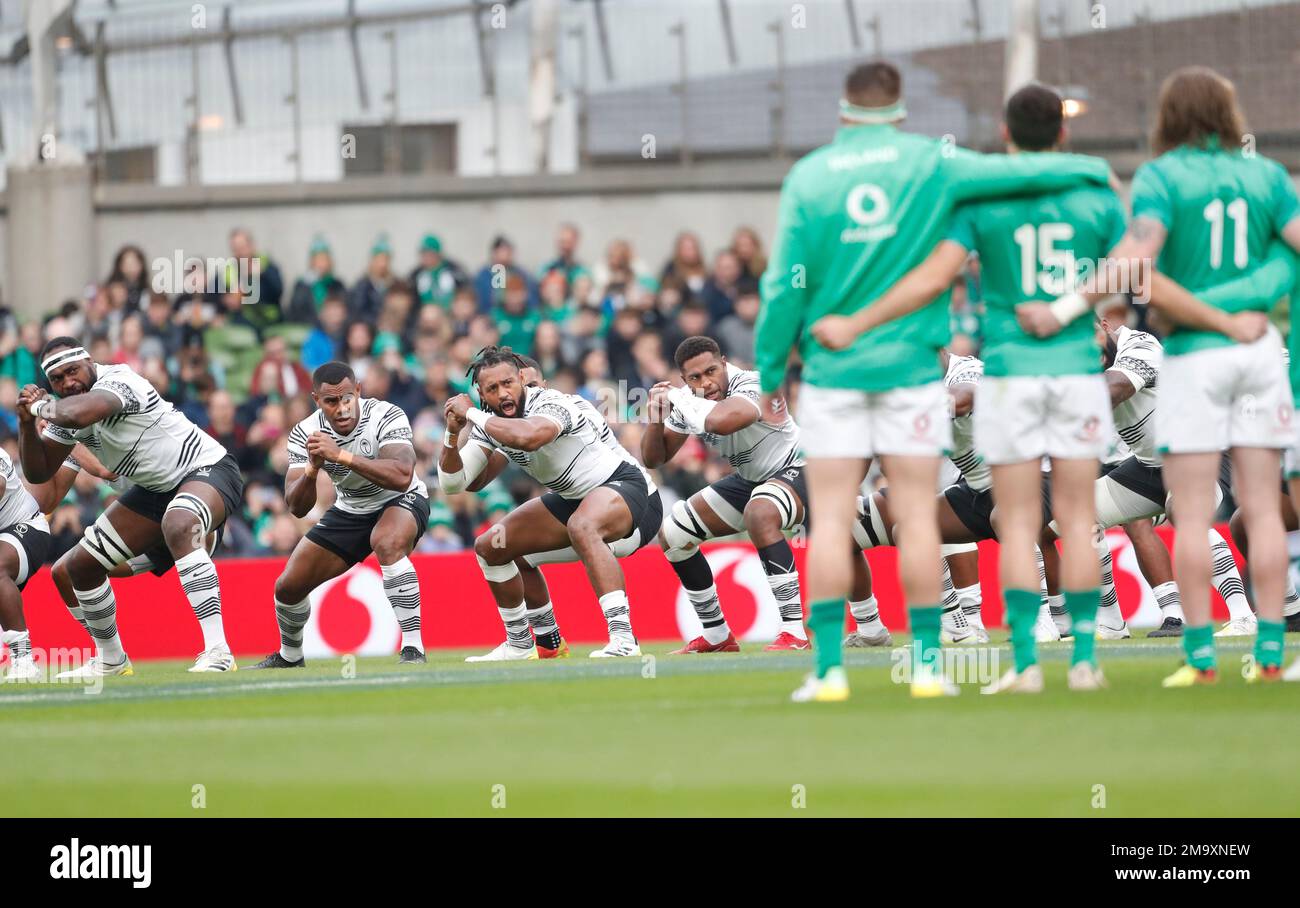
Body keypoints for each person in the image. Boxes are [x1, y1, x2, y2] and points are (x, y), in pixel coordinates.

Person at [756, 61, 1113, 702]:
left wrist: (767, 366)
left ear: (843, 109)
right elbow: (1021, 169)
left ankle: (830, 672)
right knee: (919, 517)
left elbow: (782, 285)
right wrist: (1089, 169)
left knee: (831, 520)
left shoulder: (808, 176)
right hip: (916, 368)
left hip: (835, 370)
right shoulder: (934, 161)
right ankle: (926, 667)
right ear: (900, 109)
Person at [1062, 67, 1300, 685]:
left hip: (1196, 355)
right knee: (1264, 512)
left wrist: (1064, 307)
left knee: (1191, 515)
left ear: (1167, 117)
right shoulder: (1268, 176)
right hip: (1256, 350)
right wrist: (1265, 286)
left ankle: (1199, 659)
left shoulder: (1162, 177)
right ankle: (1271, 656)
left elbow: (1135, 259)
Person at [18, 338, 244, 676]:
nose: (68, 383)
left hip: (205, 470)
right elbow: (38, 473)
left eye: (72, 371)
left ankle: (218, 650)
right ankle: (111, 659)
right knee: (78, 568)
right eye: (58, 380)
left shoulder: (119, 380)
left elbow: (80, 412)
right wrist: (25, 424)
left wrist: (40, 407)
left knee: (180, 523)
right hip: (155, 491)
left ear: (89, 362)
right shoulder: (64, 410)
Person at [438, 346, 662, 660]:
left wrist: (471, 413)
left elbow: (529, 438)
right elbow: (454, 484)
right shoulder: (493, 422)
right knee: (492, 546)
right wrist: (451, 433)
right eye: (493, 388)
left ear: (522, 380)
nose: (504, 393)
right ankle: (534, 643)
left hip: (629, 492)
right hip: (574, 500)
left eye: (509, 383)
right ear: (481, 393)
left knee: (583, 526)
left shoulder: (553, 402)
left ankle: (624, 638)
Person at [249, 362, 430, 669]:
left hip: (402, 498)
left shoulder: (386, 415)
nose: (342, 408)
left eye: (348, 397)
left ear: (358, 391)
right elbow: (297, 507)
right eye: (332, 401)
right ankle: (291, 655)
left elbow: (401, 475)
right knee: (288, 587)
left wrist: (342, 456)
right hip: (350, 508)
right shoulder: (305, 433)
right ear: (317, 400)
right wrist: (312, 468)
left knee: (385, 542)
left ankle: (413, 646)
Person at [641, 336, 810, 653]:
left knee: (760, 514)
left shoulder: (753, 383)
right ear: (685, 379)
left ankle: (795, 632)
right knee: (673, 533)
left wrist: (679, 396)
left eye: (711, 371)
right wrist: (655, 417)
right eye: (695, 378)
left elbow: (723, 421)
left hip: (798, 468)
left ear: (725, 363)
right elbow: (654, 458)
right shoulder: (690, 399)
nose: (706, 382)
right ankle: (717, 635)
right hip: (752, 481)